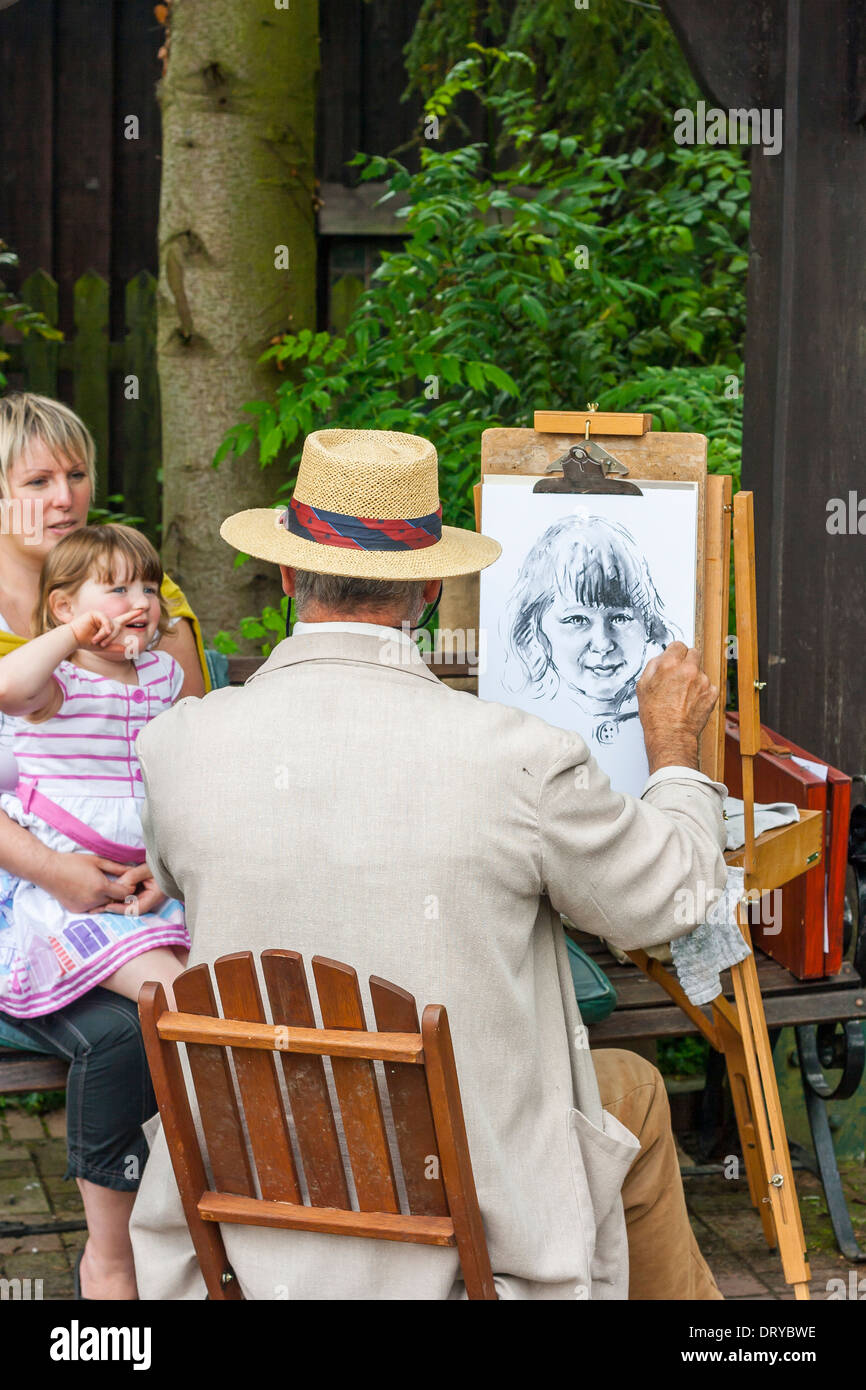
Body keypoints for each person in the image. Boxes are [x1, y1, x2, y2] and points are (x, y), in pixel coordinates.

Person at [130, 427, 727, 1300]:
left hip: (255, 1207)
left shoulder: (178, 749)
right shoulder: (518, 758)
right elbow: (674, 895)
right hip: (460, 1227)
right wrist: (674, 754)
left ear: (289, 575)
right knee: (630, 1090)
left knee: (617, 1087)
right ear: (432, 587)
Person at [0, 392, 207, 1300]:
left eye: (75, 474)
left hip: (143, 883)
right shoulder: (43, 655)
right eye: (36, 479)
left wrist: (163, 867)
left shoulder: (151, 607)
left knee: (172, 1013)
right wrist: (57, 872)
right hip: (35, 883)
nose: (64, 496)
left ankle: (183, 1223)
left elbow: (190, 752)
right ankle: (120, 1252)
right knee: (136, 1028)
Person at [0, 523, 189, 1019]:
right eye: (119, 589)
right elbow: (6, 688)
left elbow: (180, 776)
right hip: (72, 898)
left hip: (148, 885)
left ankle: (189, 1098)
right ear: (65, 607)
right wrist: (71, 636)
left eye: (149, 587)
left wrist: (164, 865)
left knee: (211, 987)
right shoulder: (55, 684)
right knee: (181, 999)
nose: (143, 601)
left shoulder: (162, 675)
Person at [505, 512, 679, 751]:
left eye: (620, 618)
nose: (603, 643)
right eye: (577, 619)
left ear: (648, 625)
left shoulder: (674, 712)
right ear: (536, 627)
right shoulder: (522, 721)